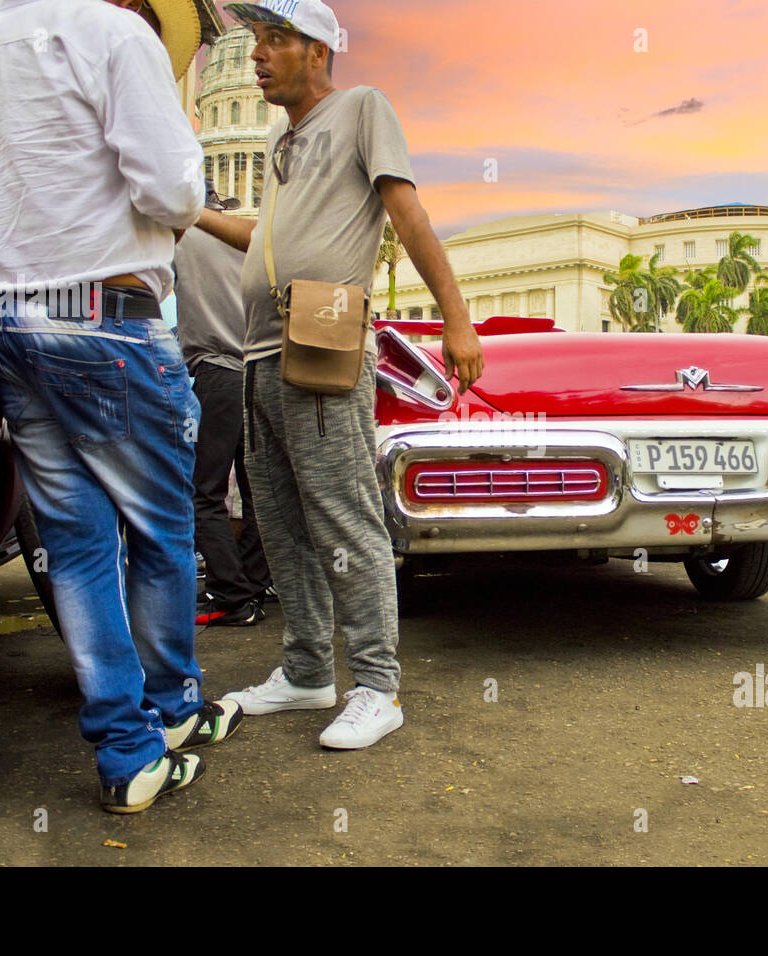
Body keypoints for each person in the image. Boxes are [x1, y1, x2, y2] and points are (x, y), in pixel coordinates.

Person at [0, 0, 241, 813]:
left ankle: (127, 752)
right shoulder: (114, 35)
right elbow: (172, 191)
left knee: (77, 544)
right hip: (109, 314)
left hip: (5, 317)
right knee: (161, 529)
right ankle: (168, 716)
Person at [197, 0, 483, 749]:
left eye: (276, 40)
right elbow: (261, 236)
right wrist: (188, 214)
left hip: (323, 342)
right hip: (257, 350)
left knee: (343, 512)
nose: (259, 54)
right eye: (256, 40)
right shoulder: (281, 141)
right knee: (282, 522)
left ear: (318, 51)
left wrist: (456, 316)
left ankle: (378, 685)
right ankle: (304, 671)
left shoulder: (362, 108)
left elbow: (407, 213)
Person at [175, 180, 274, 627]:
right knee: (258, 494)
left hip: (216, 373)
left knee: (202, 493)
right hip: (256, 372)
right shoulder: (248, 236)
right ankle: (254, 584)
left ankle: (231, 595)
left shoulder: (181, 235)